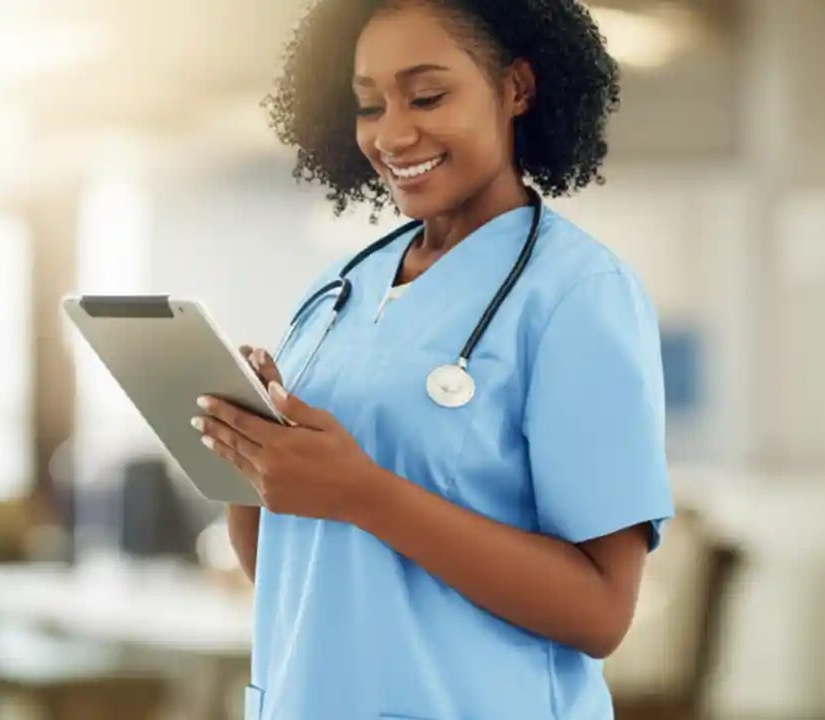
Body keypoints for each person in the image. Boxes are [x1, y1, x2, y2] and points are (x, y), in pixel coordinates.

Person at [191, 1, 674, 717]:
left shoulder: (577, 294)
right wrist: (249, 452)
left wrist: (363, 493)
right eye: (369, 105)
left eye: (426, 97)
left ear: (516, 88)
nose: (391, 134)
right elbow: (295, 571)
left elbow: (600, 611)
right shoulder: (337, 292)